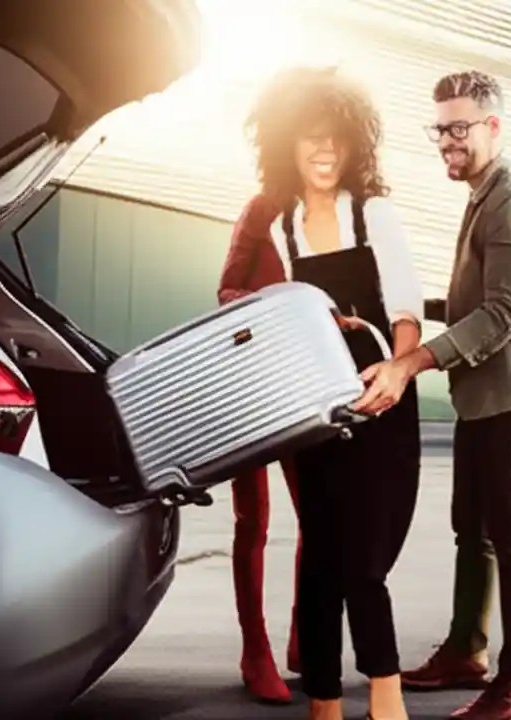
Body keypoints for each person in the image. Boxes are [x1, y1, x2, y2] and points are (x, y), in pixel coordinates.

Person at [352, 70, 511, 720]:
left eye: (460, 128)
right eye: (440, 128)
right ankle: (465, 651)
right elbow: (478, 299)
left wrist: (413, 360)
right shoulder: (483, 195)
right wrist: (384, 311)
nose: (447, 140)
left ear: (493, 127)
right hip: (485, 391)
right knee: (469, 528)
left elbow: (503, 313)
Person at [246, 65, 424, 720]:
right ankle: (324, 704)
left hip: (381, 404)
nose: (323, 151)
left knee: (362, 563)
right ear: (288, 145)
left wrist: (396, 376)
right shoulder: (285, 226)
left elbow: (406, 311)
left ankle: (387, 699)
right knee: (319, 558)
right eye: (309, 138)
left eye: (335, 140)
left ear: (353, 146)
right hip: (320, 406)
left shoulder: (375, 213)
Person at [216, 193, 303, 705]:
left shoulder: (331, 214)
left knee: (314, 516)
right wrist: (265, 307)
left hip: (302, 385)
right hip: (249, 381)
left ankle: (302, 638)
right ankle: (256, 652)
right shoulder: (261, 210)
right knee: (253, 522)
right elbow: (224, 286)